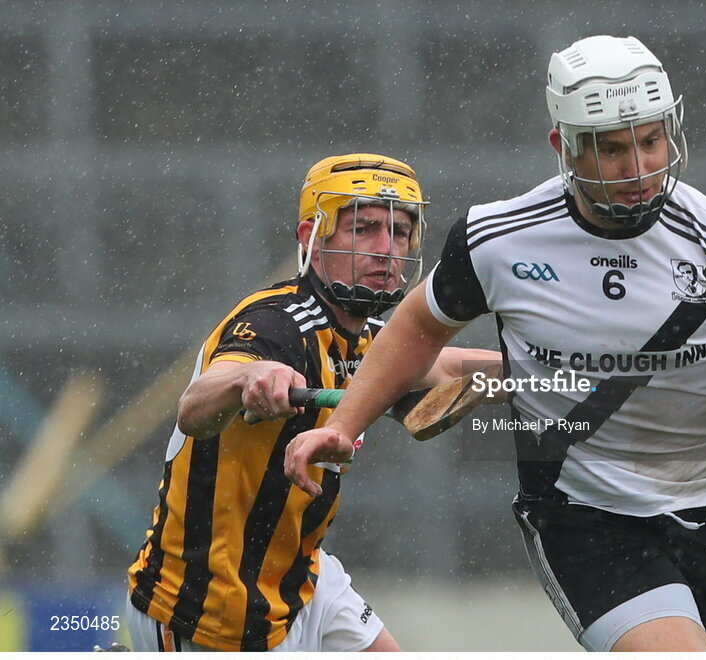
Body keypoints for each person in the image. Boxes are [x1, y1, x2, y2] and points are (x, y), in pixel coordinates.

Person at [283, 36, 706, 652]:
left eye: (651, 139)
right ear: (564, 146)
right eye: (610, 149)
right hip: (583, 518)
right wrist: (344, 424)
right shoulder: (496, 240)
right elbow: (416, 329)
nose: (636, 168)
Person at [125, 153, 499, 652]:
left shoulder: (367, 336)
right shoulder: (275, 325)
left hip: (302, 576)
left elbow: (447, 366)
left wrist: (559, 367)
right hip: (209, 603)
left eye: (400, 232)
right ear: (310, 238)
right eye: (364, 229)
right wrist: (250, 378)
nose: (386, 250)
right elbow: (193, 408)